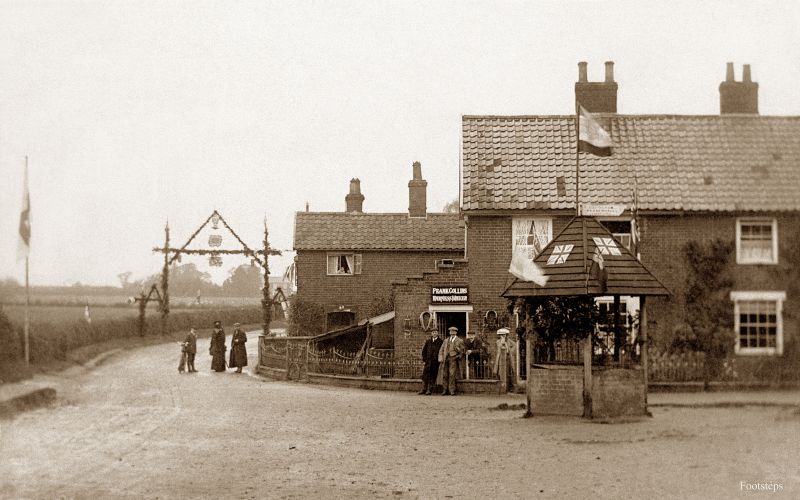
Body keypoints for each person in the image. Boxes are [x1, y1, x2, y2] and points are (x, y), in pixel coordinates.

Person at [437, 326, 465, 395]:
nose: (452, 333)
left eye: (453, 331)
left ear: (456, 332)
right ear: (449, 332)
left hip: (453, 359)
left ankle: (451, 390)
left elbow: (462, 351)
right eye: (451, 332)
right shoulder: (446, 340)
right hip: (446, 358)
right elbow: (441, 349)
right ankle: (444, 390)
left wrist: (458, 356)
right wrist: (441, 357)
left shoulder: (460, 340)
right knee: (444, 374)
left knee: (452, 374)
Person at [419, 329, 442, 395]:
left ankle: (429, 390)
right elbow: (424, 351)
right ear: (431, 333)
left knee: (432, 376)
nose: (434, 333)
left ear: (438, 333)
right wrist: (425, 359)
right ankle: (423, 389)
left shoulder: (440, 342)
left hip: (435, 362)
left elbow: (441, 351)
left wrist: (439, 360)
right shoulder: (428, 341)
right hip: (428, 362)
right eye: (433, 332)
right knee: (425, 375)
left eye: (436, 332)